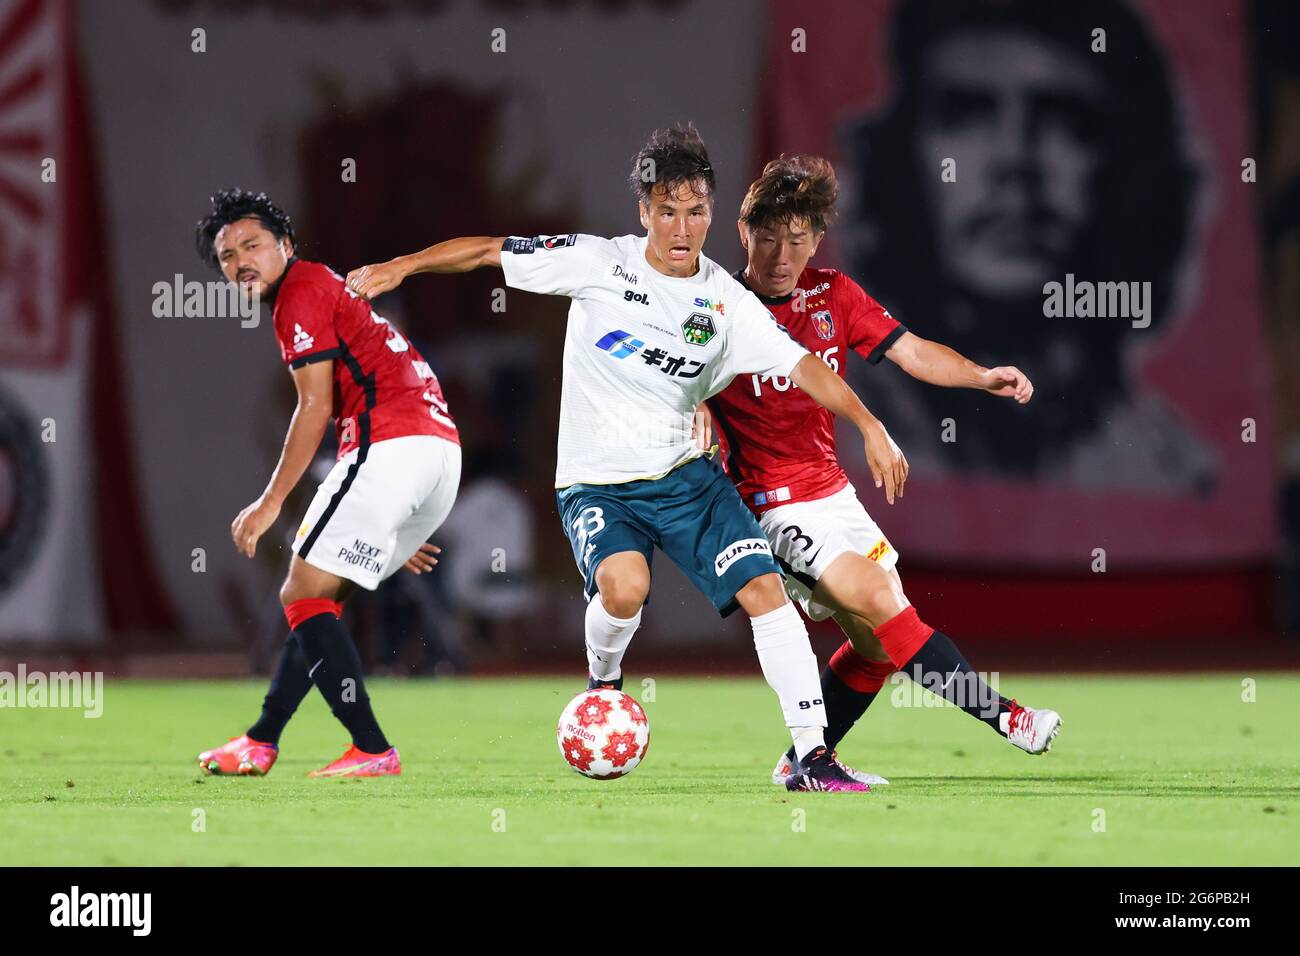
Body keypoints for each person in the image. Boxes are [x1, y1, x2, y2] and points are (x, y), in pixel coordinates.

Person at [346, 125, 907, 792]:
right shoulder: (596, 262)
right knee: (625, 589)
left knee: (766, 591)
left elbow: (804, 366)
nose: (681, 226)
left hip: (686, 480)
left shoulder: (725, 299)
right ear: (644, 211)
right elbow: (487, 253)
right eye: (666, 210)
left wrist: (869, 424)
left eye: (695, 211)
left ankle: (812, 759)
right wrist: (398, 268)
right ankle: (603, 684)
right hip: (597, 485)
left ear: (710, 213)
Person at [701, 155, 1062, 784]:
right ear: (741, 230)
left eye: (796, 240)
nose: (780, 256)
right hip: (769, 501)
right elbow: (673, 378)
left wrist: (981, 376)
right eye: (766, 238)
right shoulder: (718, 304)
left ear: (816, 240)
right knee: (878, 601)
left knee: (876, 641)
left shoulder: (834, 294)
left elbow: (913, 350)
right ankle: (1006, 717)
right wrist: (697, 416)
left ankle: (804, 762)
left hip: (832, 493)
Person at [844, 0, 1214, 491]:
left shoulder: (1176, 476)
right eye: (967, 114)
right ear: (903, 161)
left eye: (1065, 121)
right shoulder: (834, 433)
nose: (1014, 161)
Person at [193, 189, 461, 778]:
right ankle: (261, 739)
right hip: (436, 454)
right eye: (227, 253)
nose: (240, 260)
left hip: (393, 443)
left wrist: (269, 504)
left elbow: (313, 408)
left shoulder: (301, 290)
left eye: (253, 244)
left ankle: (371, 747)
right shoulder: (320, 288)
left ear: (285, 245)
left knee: (300, 590)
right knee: (317, 601)